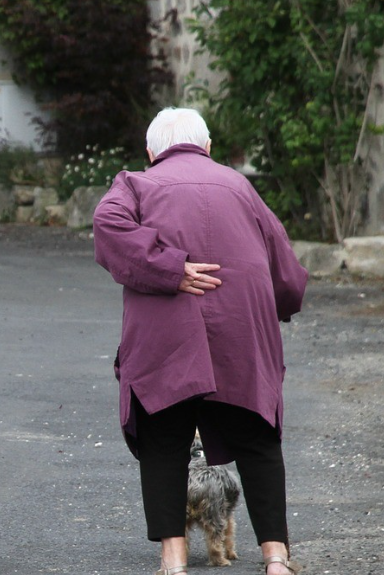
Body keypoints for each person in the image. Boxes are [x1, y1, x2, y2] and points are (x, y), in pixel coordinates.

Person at [93, 107, 308, 575]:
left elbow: (108, 228)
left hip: (166, 335)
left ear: (151, 152)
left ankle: (173, 560)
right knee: (256, 438)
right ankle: (275, 558)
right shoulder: (239, 185)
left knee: (165, 439)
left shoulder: (135, 183)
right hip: (241, 331)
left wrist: (167, 268)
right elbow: (285, 266)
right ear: (207, 147)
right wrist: (281, 305)